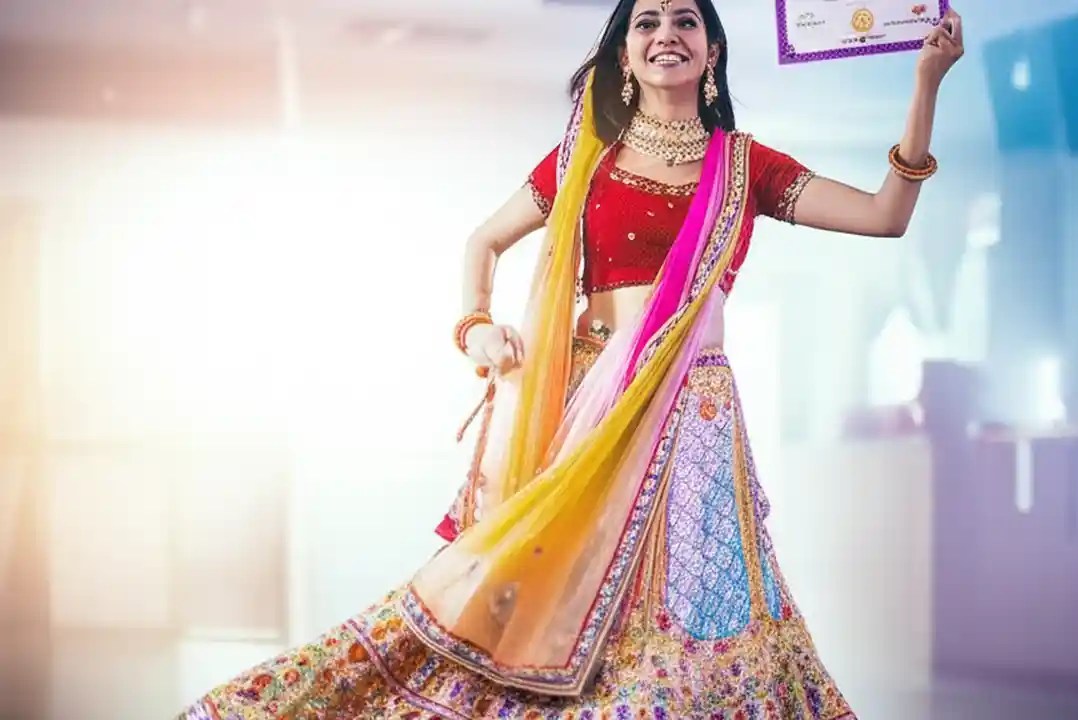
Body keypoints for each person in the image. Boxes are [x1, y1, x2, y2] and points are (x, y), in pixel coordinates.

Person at [180, 1, 963, 717]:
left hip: (696, 410)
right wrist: (476, 329)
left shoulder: (745, 167)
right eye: (646, 21)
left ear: (713, 51)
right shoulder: (583, 161)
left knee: (695, 601)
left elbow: (883, 215)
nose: (666, 34)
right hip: (590, 395)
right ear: (623, 54)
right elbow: (482, 241)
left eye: (685, 21)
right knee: (557, 578)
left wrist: (925, 82)